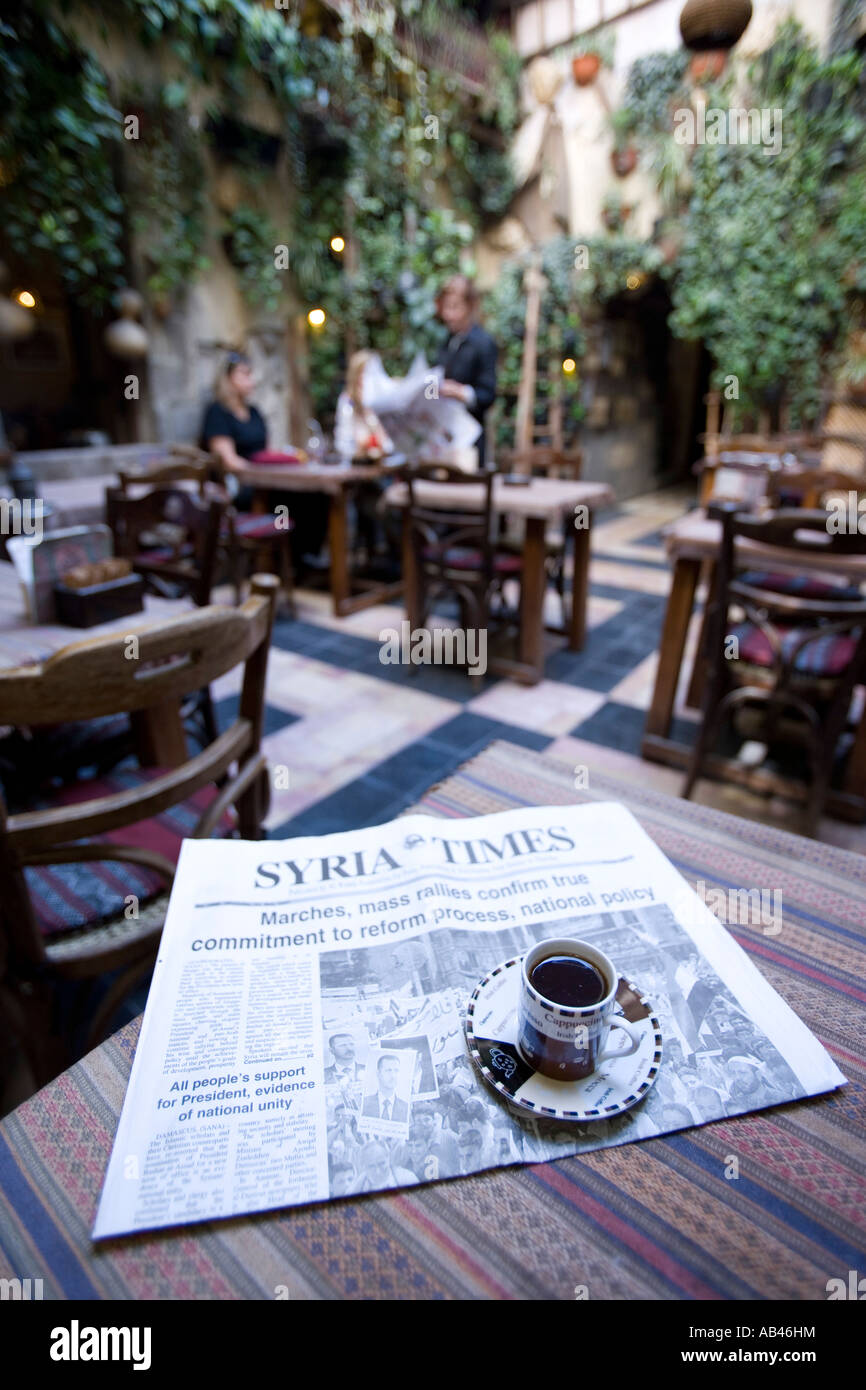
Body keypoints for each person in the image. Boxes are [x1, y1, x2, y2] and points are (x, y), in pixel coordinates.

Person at [201, 350, 328, 571]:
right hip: (240, 485)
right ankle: (280, 560)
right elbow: (228, 461)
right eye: (244, 374)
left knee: (316, 494)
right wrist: (262, 474)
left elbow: (266, 452)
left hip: (264, 479)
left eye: (250, 374)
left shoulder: (254, 412)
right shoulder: (218, 413)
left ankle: (301, 555)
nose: (251, 380)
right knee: (288, 499)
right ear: (227, 378)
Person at [435, 275, 497, 468]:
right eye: (446, 307)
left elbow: (488, 395)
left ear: (470, 307)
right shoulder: (446, 341)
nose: (448, 315)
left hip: (470, 439)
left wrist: (460, 392)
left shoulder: (483, 343)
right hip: (443, 436)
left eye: (455, 307)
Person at [362, 1053, 409, 1123]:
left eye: (396, 1071)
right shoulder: (364, 1104)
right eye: (388, 1070)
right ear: (378, 1073)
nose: (393, 1076)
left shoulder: (406, 1108)